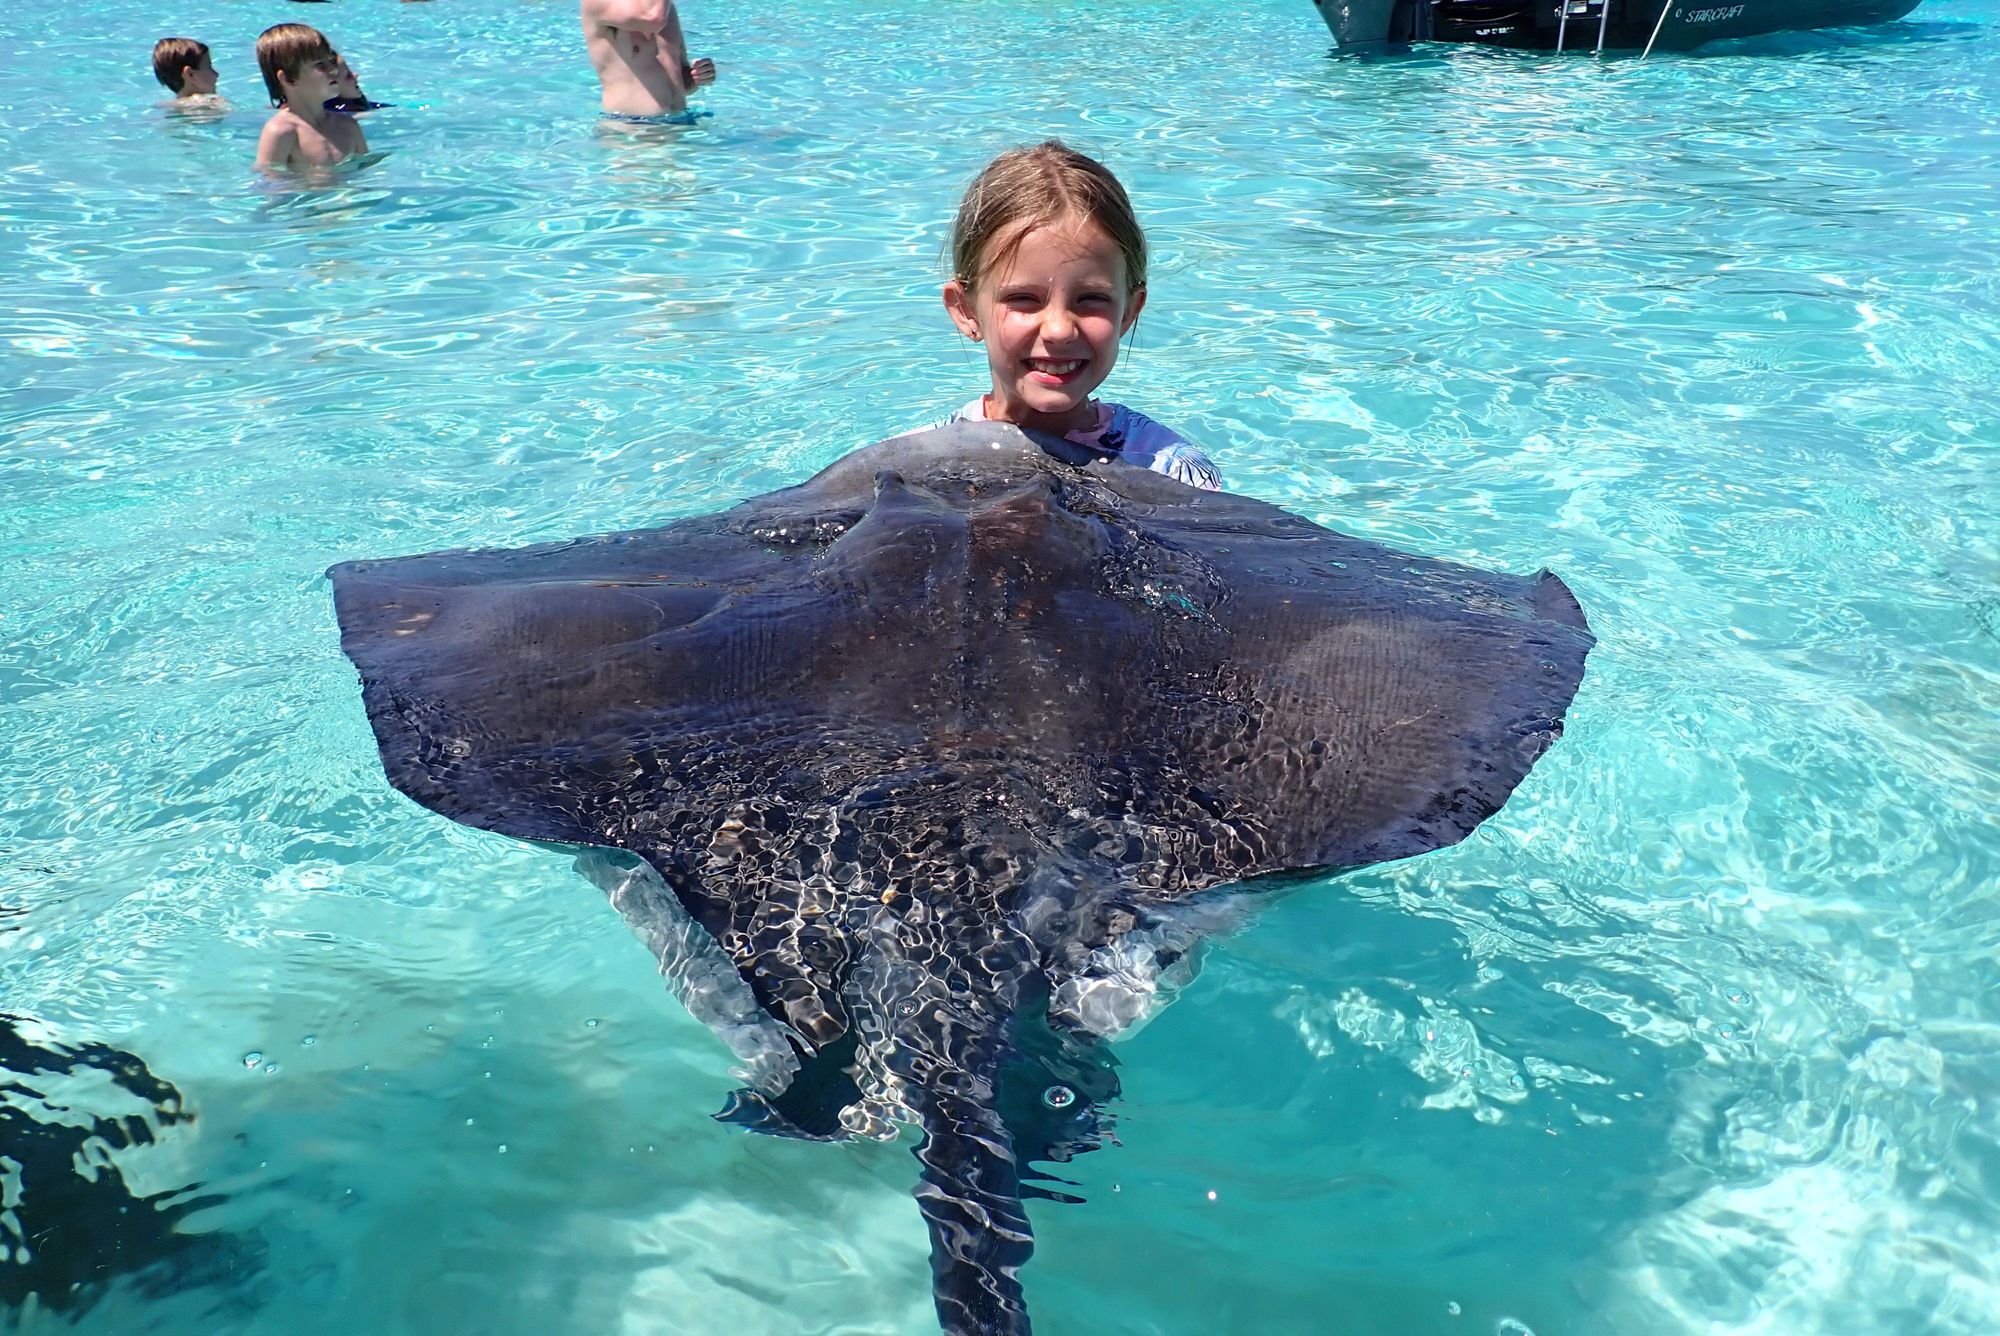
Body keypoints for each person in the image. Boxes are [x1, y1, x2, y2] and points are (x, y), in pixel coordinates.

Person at [926, 141, 1222, 491]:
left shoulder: (1170, 471)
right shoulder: (912, 469)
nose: (1059, 330)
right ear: (967, 310)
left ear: (1129, 311)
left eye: (1091, 299)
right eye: (1023, 298)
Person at [253, 24, 368, 172]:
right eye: (320, 65)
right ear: (288, 79)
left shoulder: (348, 126)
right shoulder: (281, 131)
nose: (334, 70)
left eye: (331, 62)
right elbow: (269, 181)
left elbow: (367, 173)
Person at [581, 0, 717, 121]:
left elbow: (681, 84)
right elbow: (654, 19)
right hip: (631, 126)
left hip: (680, 121)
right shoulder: (600, 2)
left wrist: (698, 76)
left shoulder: (666, 8)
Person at [150, 37, 221, 105]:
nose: (216, 74)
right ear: (190, 74)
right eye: (209, 67)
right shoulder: (207, 102)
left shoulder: (169, 105)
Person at [324, 52, 391, 114]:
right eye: (348, 76)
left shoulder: (357, 103)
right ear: (333, 86)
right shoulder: (337, 114)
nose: (356, 75)